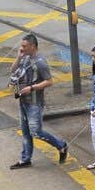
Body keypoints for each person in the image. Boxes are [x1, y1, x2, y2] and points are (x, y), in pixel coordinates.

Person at [10, 33, 68, 169]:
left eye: (24, 46)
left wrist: (31, 88)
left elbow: (49, 81)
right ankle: (25, 159)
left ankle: (61, 145)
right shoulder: (24, 58)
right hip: (23, 100)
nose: (21, 48)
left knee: (36, 131)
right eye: (21, 46)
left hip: (34, 103)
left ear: (32, 46)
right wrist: (18, 57)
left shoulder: (40, 62)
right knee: (25, 132)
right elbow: (13, 70)